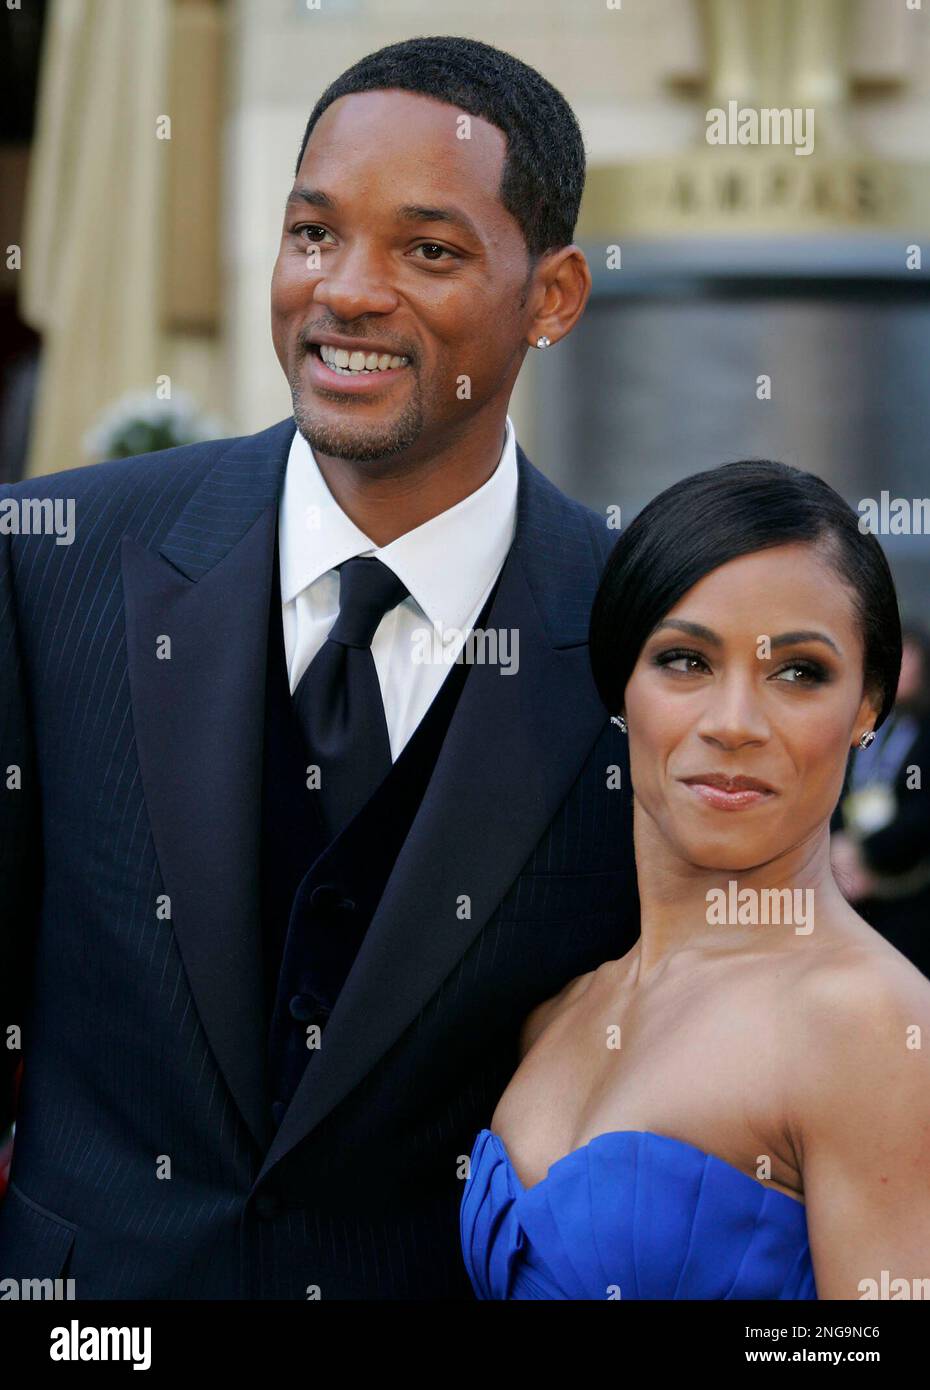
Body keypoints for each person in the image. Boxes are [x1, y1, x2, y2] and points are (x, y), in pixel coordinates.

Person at [0, 36, 639, 1299]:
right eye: (313, 234)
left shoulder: (635, 635)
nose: (346, 291)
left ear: (554, 296)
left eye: (429, 249)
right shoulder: (50, 562)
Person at [461, 460, 930, 1300]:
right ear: (620, 686)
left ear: (868, 706)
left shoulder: (871, 1026)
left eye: (799, 673)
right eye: (684, 660)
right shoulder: (559, 1011)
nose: (733, 723)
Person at [831, 623, 930, 979]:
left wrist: (866, 853)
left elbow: (922, 811)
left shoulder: (923, 731)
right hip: (849, 887)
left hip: (905, 890)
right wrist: (840, 841)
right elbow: (839, 783)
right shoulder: (869, 725)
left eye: (908, 659)